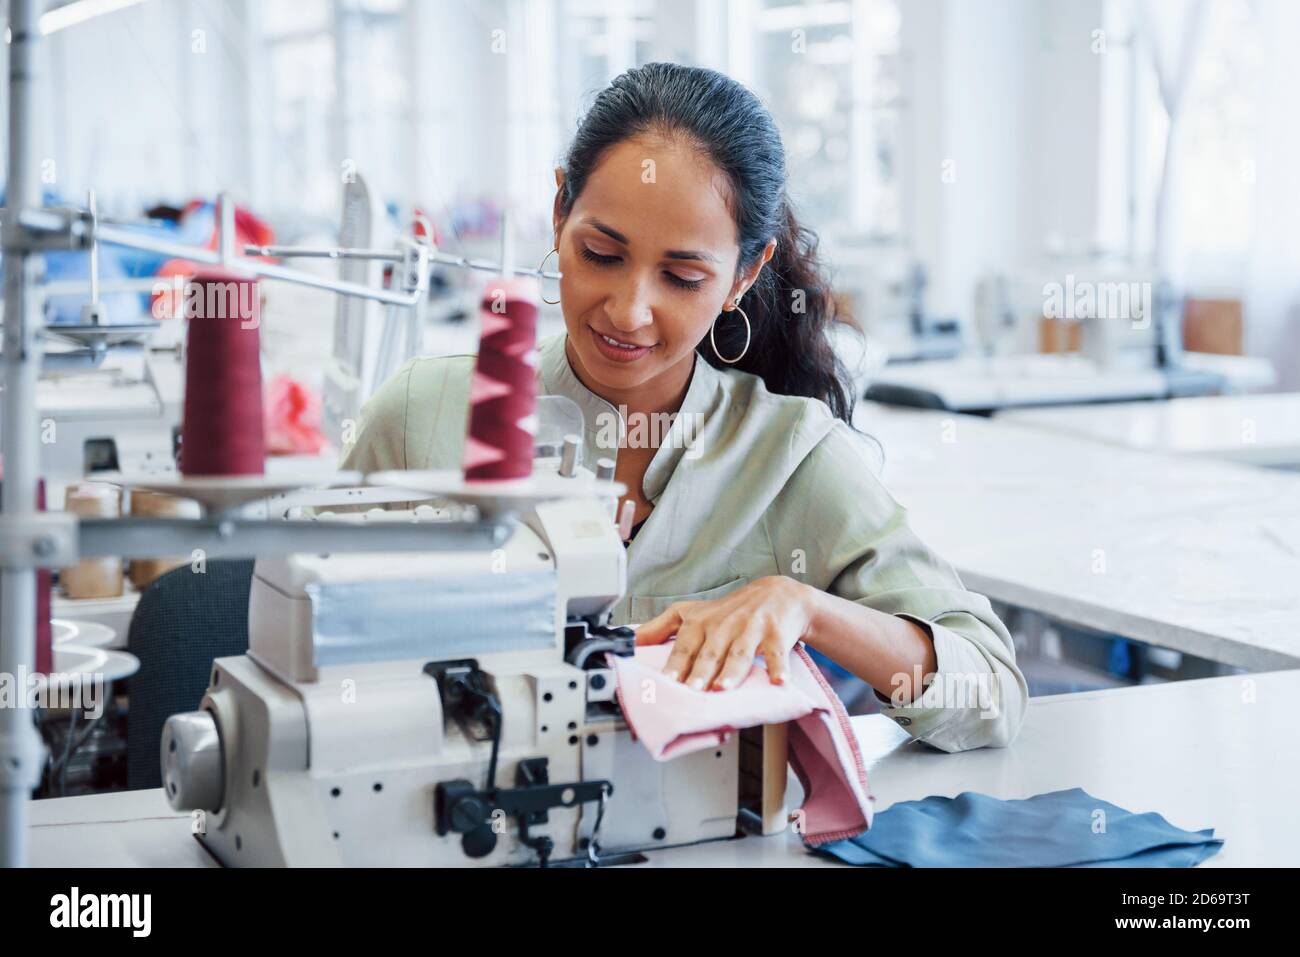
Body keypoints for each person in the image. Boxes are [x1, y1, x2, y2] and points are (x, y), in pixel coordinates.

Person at [342, 62, 1026, 752]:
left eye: (682, 276)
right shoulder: (421, 416)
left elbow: (991, 689)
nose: (629, 310)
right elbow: (303, 642)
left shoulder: (788, 456)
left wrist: (807, 608)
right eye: (601, 253)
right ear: (559, 215)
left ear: (746, 273)